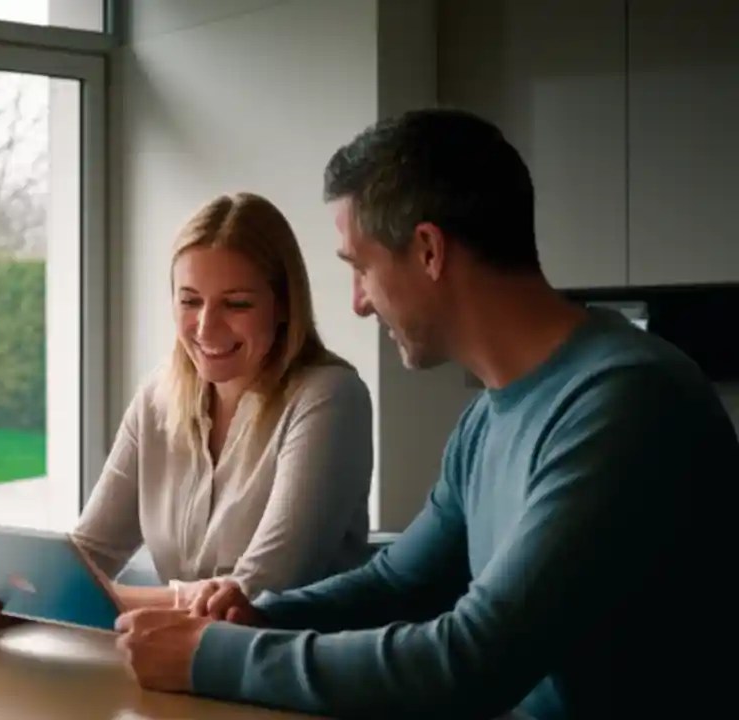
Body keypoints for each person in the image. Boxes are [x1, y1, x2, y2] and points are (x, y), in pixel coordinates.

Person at [114, 109, 739, 719]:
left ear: (429, 251)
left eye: (361, 268)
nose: (358, 303)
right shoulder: (488, 418)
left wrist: (215, 658)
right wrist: (261, 615)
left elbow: (470, 662)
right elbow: (398, 584)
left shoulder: (623, 405)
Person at [0, 191, 375, 624]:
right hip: (183, 668)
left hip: (298, 674)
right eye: (189, 300)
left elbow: (256, 592)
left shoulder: (330, 397)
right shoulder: (158, 398)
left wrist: (93, 598)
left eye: (236, 303)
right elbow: (90, 552)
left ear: (283, 306)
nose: (206, 326)